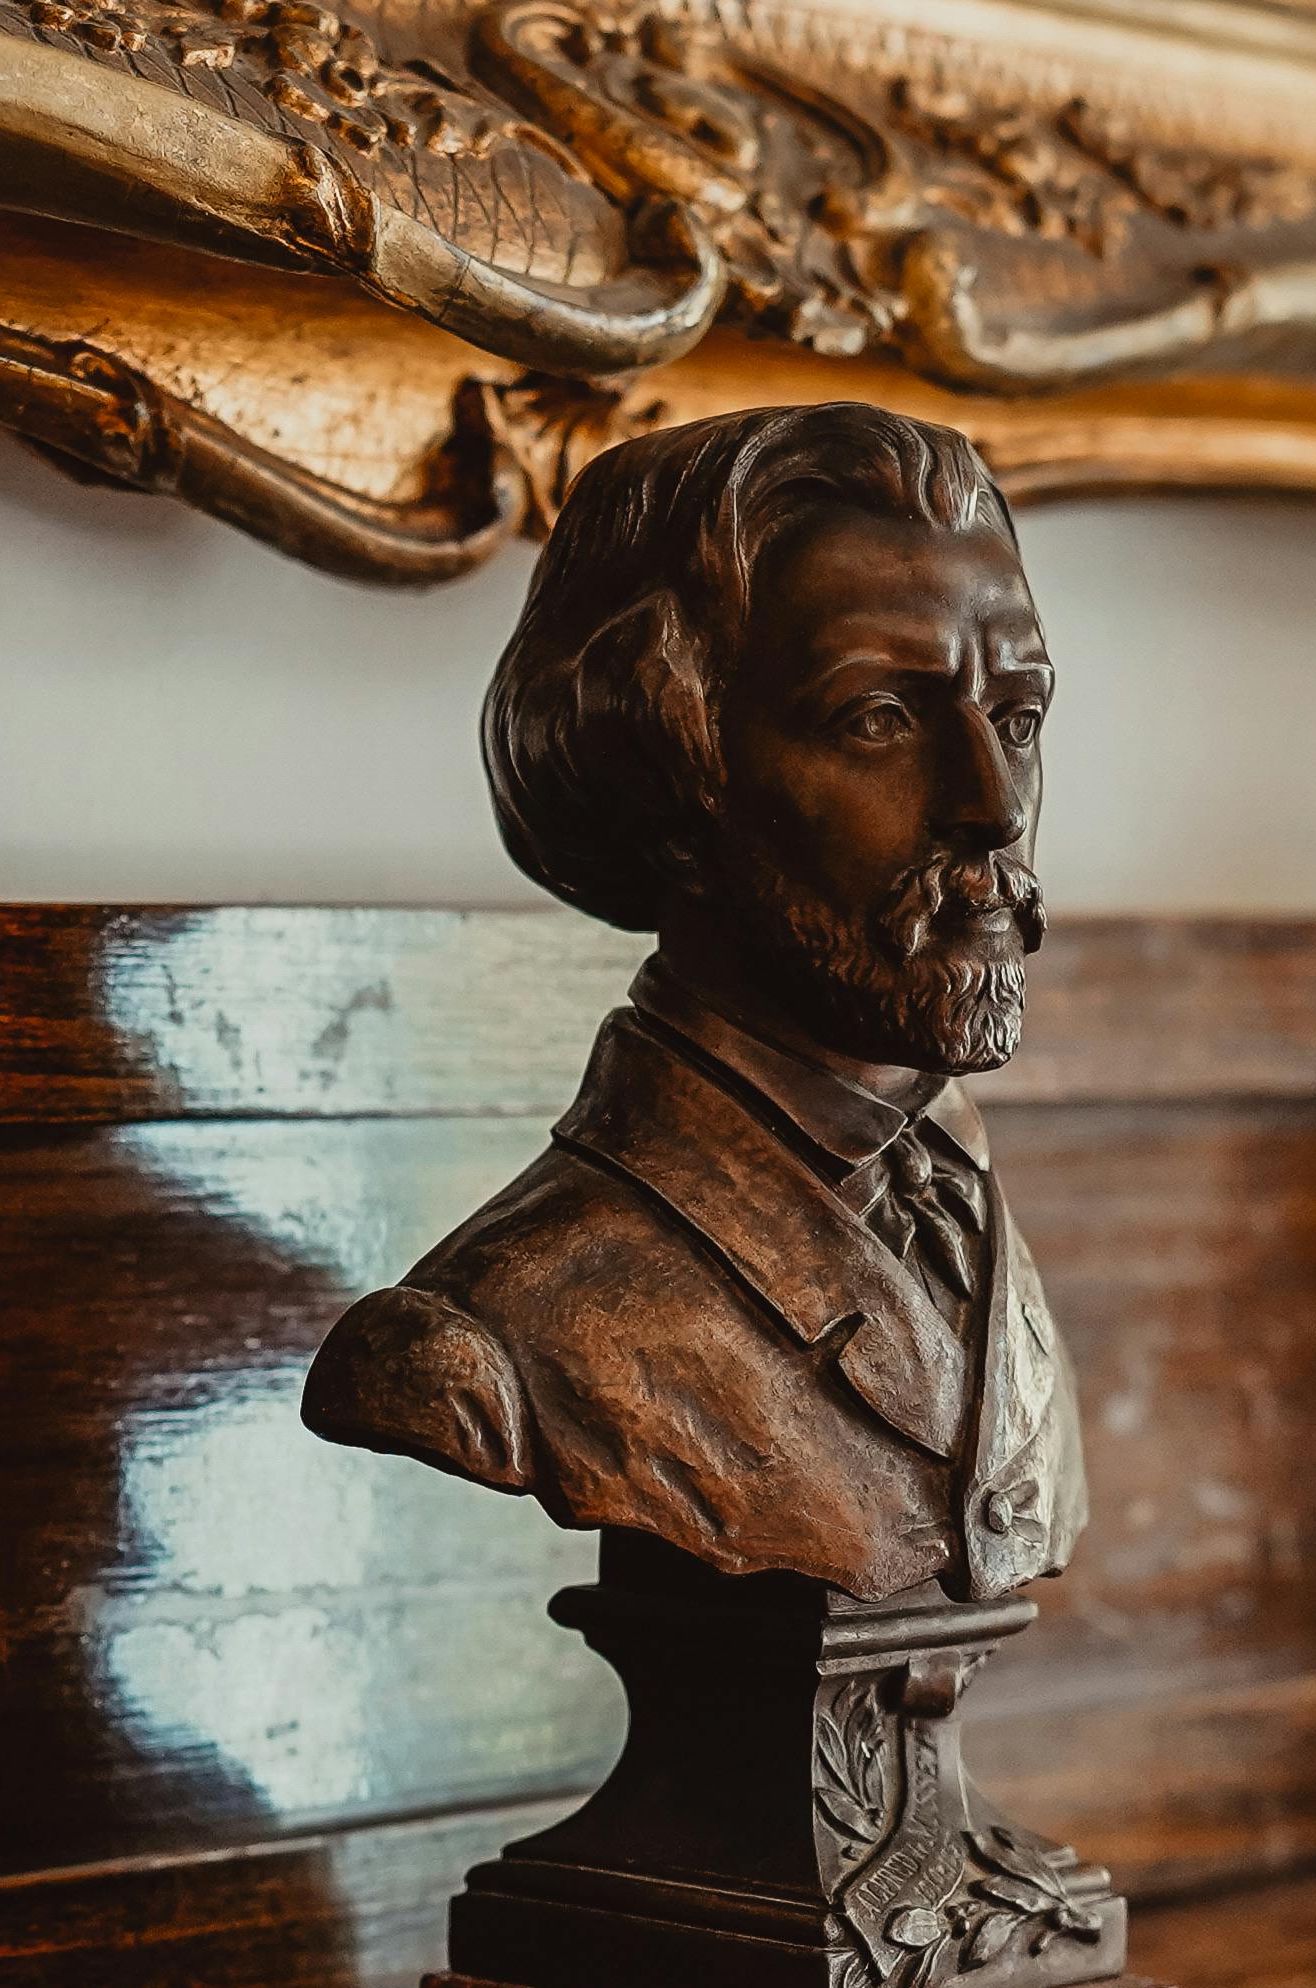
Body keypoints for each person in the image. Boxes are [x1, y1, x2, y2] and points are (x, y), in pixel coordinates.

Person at [303, 403, 1087, 1608]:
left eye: (1018, 718)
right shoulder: (492, 1342)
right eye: (879, 719)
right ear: (669, 773)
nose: (995, 805)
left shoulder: (969, 1221)